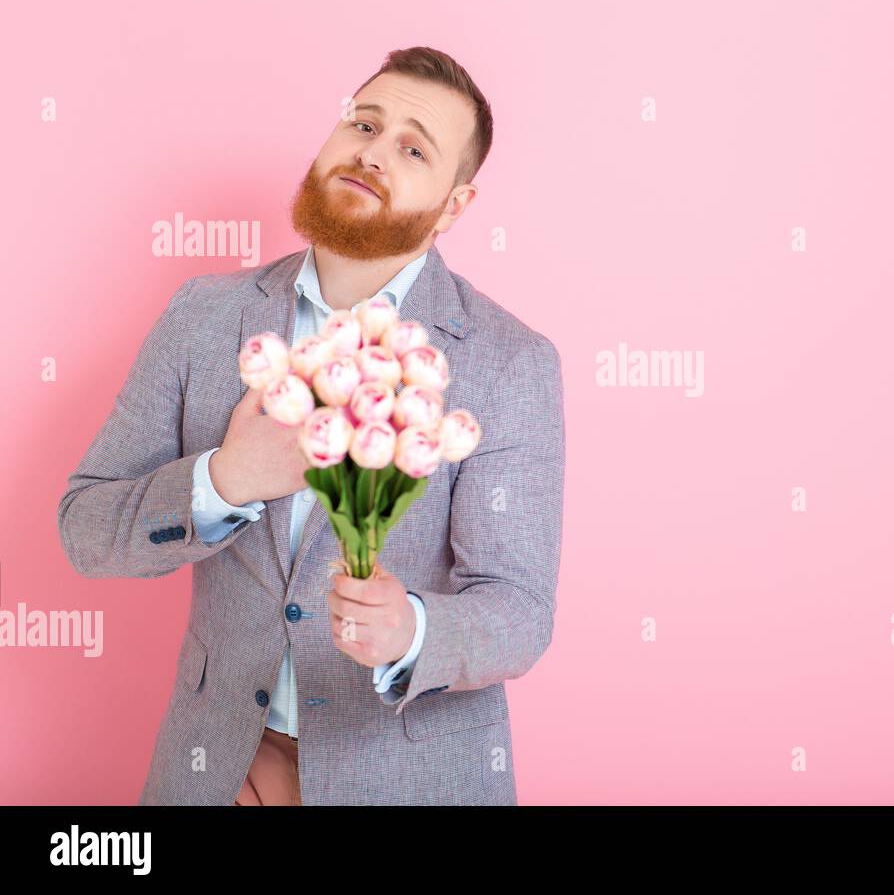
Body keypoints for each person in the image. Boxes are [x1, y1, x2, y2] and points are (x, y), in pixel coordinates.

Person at [57, 47, 565, 805]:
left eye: (413, 147)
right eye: (364, 122)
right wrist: (226, 480)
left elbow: (520, 611)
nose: (372, 152)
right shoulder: (203, 316)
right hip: (214, 765)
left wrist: (412, 631)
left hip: (407, 776)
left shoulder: (511, 362)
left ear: (455, 206)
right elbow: (85, 530)